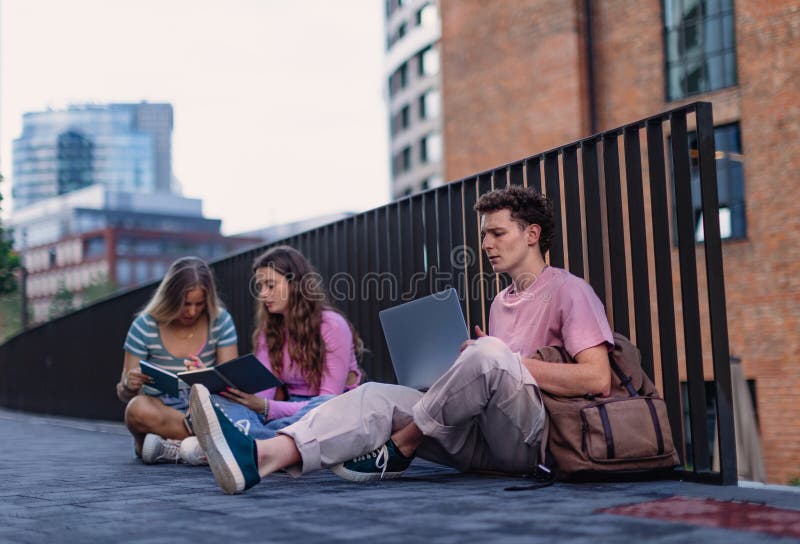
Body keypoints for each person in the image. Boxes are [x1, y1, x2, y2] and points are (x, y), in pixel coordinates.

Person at [190, 186, 615, 494]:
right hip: (481, 439)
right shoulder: (501, 301)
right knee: (374, 395)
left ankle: (402, 445)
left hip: (532, 443)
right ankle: (263, 457)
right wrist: (466, 368)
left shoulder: (568, 290)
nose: (485, 243)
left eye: (497, 233)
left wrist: (502, 359)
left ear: (532, 234)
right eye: (483, 234)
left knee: (489, 352)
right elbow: (494, 374)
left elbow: (597, 380)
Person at [207, 245, 363, 441]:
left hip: (328, 411)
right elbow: (264, 392)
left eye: (270, 286)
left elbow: (328, 402)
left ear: (295, 284)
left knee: (312, 416)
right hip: (284, 414)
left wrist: (265, 407)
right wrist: (227, 390)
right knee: (219, 401)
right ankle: (260, 441)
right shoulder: (269, 331)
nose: (262, 294)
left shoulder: (331, 325)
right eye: (260, 286)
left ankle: (245, 441)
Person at [117, 256, 238, 464]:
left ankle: (173, 448)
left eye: (199, 304)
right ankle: (208, 445)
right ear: (170, 299)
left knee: (229, 410)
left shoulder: (220, 320)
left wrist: (205, 376)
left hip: (203, 407)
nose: (192, 312)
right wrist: (129, 383)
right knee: (136, 409)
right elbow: (124, 393)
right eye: (185, 304)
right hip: (162, 411)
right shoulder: (144, 326)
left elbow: (231, 384)